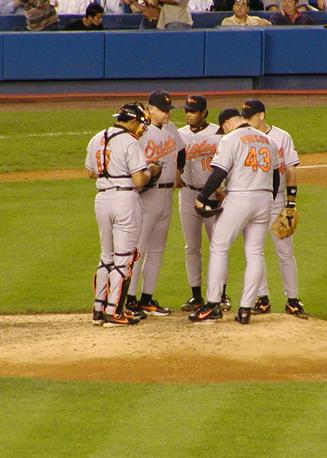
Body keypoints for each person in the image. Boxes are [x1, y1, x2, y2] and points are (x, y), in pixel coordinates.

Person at [188, 99, 280, 325]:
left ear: (228, 123)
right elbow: (276, 178)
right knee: (255, 253)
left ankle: (212, 305)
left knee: (219, 247)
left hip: (240, 197)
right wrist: (267, 201)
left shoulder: (231, 139)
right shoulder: (268, 140)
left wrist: (201, 198)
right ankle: (246, 309)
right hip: (265, 198)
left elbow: (219, 172)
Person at [86, 103, 162, 326]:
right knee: (124, 259)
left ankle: (99, 309)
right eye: (139, 123)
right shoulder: (130, 142)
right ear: (132, 121)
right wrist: (151, 170)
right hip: (125, 200)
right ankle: (114, 312)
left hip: (102, 199)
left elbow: (91, 172)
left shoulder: (97, 137)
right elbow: (139, 180)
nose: (140, 128)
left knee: (106, 257)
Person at [241, 100, 307, 320]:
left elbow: (290, 170)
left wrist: (291, 202)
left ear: (261, 115)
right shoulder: (242, 137)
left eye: (249, 116)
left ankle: (293, 300)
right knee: (254, 251)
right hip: (254, 200)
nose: (246, 119)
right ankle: (262, 298)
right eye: (244, 115)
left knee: (285, 252)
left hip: (277, 200)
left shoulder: (282, 137)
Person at [122, 90, 183, 318]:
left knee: (157, 249)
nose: (167, 114)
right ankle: (130, 299)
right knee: (138, 249)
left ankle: (147, 298)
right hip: (146, 196)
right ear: (150, 109)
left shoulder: (171, 129)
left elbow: (183, 152)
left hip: (167, 196)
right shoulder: (140, 131)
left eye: (168, 110)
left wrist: (179, 172)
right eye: (163, 110)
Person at [177, 98, 231, 313]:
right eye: (187, 111)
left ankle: (222, 295)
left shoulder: (220, 134)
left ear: (205, 112)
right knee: (191, 247)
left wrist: (225, 187)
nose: (188, 115)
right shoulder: (179, 134)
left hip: (212, 194)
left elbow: (230, 162)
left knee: (217, 245)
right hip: (188, 193)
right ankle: (196, 296)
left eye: (193, 111)